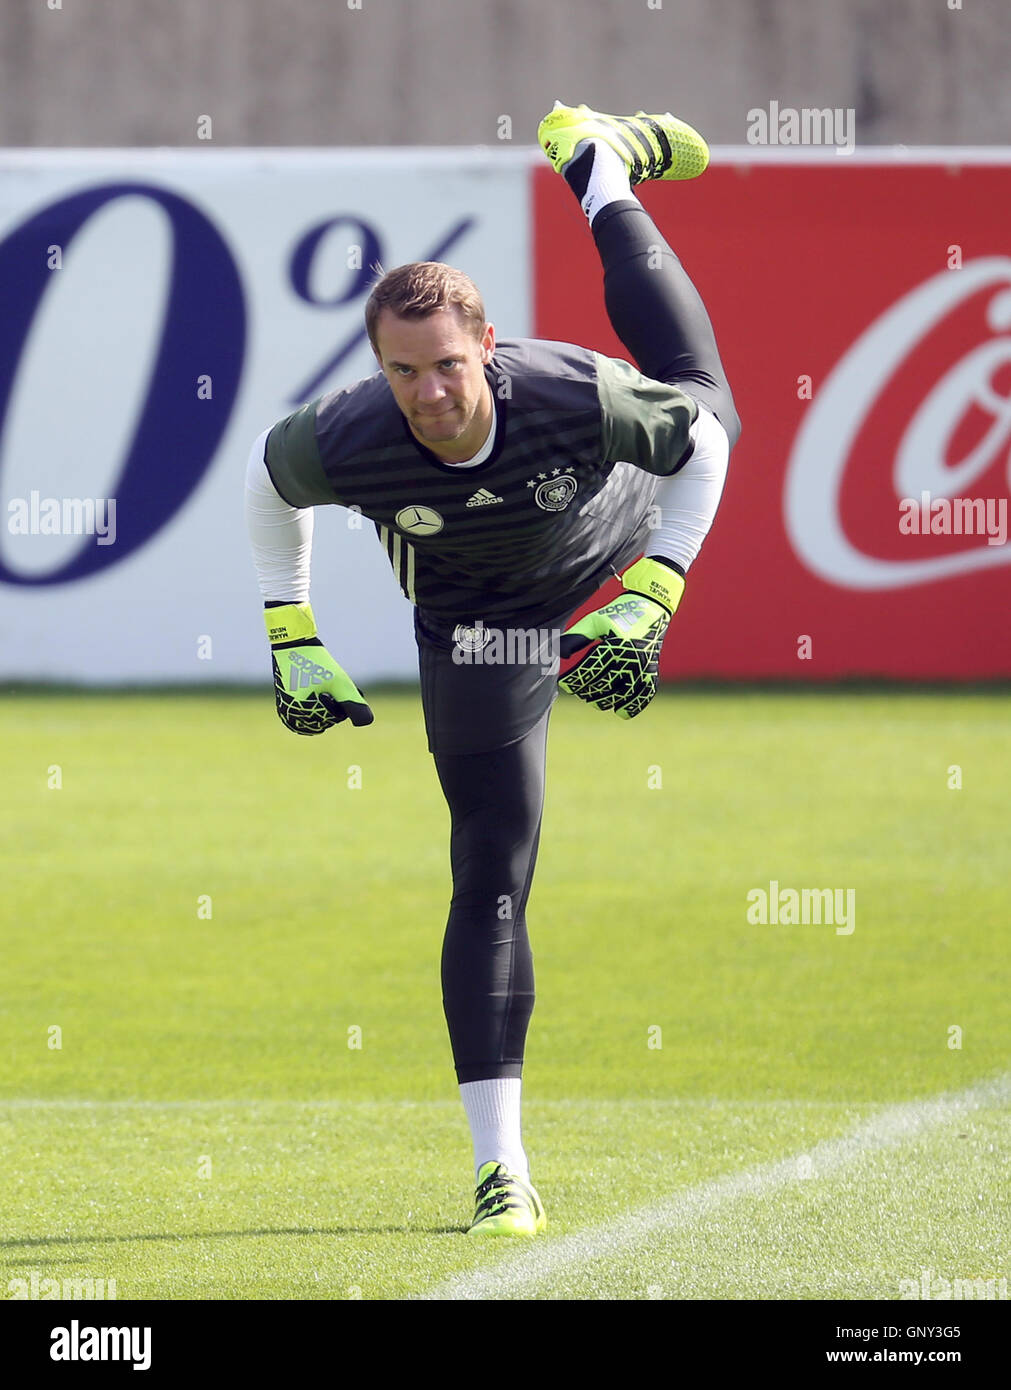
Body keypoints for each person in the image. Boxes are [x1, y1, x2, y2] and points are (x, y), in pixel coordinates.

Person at [244, 102, 741, 1238]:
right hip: (481, 624)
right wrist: (291, 630)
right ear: (378, 363)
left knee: (708, 398)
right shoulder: (348, 436)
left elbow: (701, 451)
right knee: (493, 872)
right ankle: (500, 1168)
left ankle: (600, 169)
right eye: (404, 369)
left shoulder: (570, 393)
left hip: (613, 535)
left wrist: (655, 590)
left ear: (487, 349)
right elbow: (267, 489)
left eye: (450, 366)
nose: (429, 392)